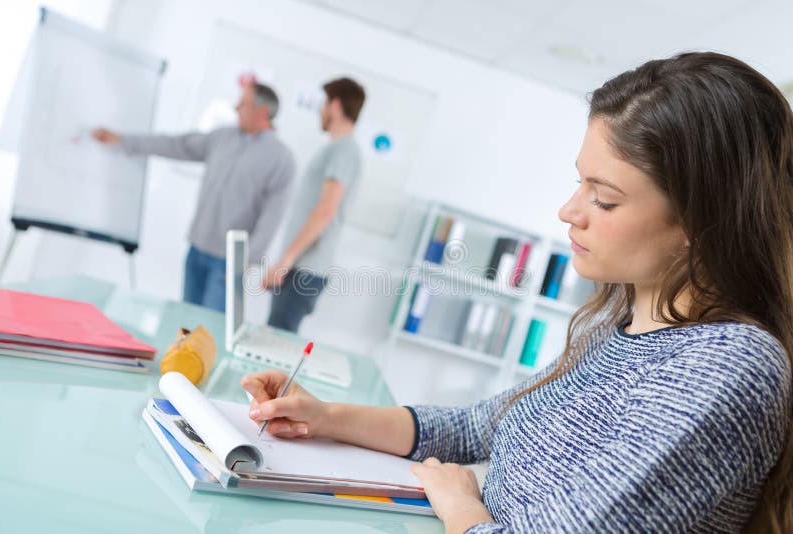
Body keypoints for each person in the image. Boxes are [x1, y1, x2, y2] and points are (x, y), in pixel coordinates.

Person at [241, 52, 793, 533]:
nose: (569, 211)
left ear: (702, 218)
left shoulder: (730, 367)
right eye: (579, 182)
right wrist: (326, 416)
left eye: (603, 198)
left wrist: (462, 506)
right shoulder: (618, 329)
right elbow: (474, 427)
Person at [92, 80, 295, 312]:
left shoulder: (281, 159)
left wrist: (247, 260)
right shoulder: (222, 137)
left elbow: (272, 217)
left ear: (263, 112)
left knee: (210, 326)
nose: (236, 108)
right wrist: (123, 140)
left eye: (243, 104)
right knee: (186, 319)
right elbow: (176, 145)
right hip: (197, 248)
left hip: (229, 262)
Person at [261, 77, 365, 333]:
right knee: (276, 339)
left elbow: (326, 211)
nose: (320, 110)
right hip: (301, 267)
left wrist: (286, 260)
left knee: (277, 343)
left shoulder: (344, 150)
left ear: (335, 106)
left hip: (304, 269)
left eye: (323, 104)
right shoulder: (338, 148)